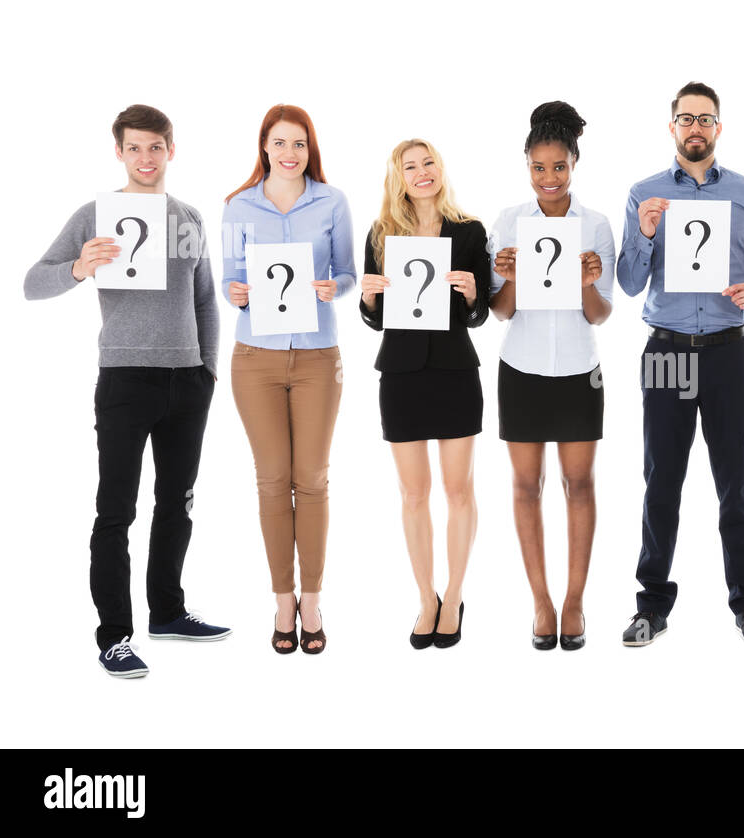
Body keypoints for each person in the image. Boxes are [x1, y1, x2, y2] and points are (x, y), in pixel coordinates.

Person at [25, 104, 229, 678]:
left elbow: (206, 299)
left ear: (171, 150)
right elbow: (30, 284)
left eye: (155, 147)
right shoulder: (94, 214)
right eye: (134, 148)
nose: (145, 158)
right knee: (115, 510)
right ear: (119, 151)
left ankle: (167, 612)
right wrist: (77, 269)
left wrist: (207, 369)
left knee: (177, 503)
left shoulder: (189, 216)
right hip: (124, 379)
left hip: (188, 381)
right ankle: (114, 636)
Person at [617, 81, 744, 647]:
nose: (695, 128)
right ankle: (651, 605)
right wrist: (642, 233)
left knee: (734, 482)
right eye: (685, 118)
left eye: (705, 119)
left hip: (726, 352)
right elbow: (629, 282)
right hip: (665, 350)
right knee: (661, 479)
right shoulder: (644, 193)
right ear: (672, 128)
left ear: (718, 128)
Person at [221, 104, 355, 655]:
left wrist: (334, 288)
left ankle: (313, 600)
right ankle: (282, 598)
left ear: (309, 148)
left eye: (298, 143)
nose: (289, 153)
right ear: (264, 147)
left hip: (319, 357)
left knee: (313, 479)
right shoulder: (238, 206)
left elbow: (347, 272)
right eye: (279, 143)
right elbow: (230, 278)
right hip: (256, 358)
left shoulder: (332, 201)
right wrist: (236, 292)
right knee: (273, 478)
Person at [489, 102, 614, 651]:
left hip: (579, 369)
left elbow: (600, 314)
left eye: (558, 166)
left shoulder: (597, 226)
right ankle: (540, 602)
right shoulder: (509, 223)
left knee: (580, 484)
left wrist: (590, 279)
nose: (549, 178)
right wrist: (510, 276)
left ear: (573, 165)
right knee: (525, 485)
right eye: (539, 167)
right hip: (522, 368)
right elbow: (500, 311)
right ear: (527, 167)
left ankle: (575, 601)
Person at [360, 139, 489, 650]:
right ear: (398, 176)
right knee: (413, 495)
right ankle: (425, 599)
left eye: (428, 162)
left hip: (456, 369)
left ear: (441, 167)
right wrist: (370, 299)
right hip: (402, 374)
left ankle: (454, 595)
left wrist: (474, 292)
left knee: (459, 491)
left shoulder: (470, 230)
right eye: (409, 166)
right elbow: (374, 319)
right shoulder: (382, 232)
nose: (421, 172)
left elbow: (482, 312)